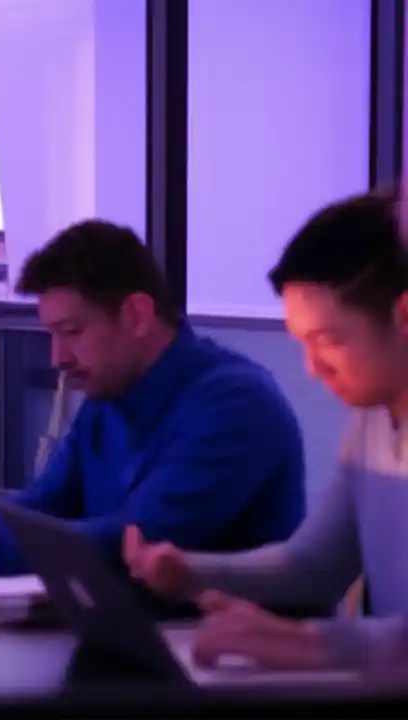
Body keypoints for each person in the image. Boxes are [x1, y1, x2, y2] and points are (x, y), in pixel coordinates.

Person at [0, 220, 306, 580]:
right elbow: (42, 511)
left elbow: (136, 540)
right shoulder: (108, 397)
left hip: (234, 671)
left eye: (72, 333)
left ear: (136, 315)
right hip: (145, 646)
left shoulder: (235, 405)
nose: (58, 358)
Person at [126, 191, 408, 672]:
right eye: (302, 342)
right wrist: (189, 572)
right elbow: (315, 565)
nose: (314, 368)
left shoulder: (233, 397)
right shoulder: (371, 419)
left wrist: (309, 643)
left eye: (330, 340)